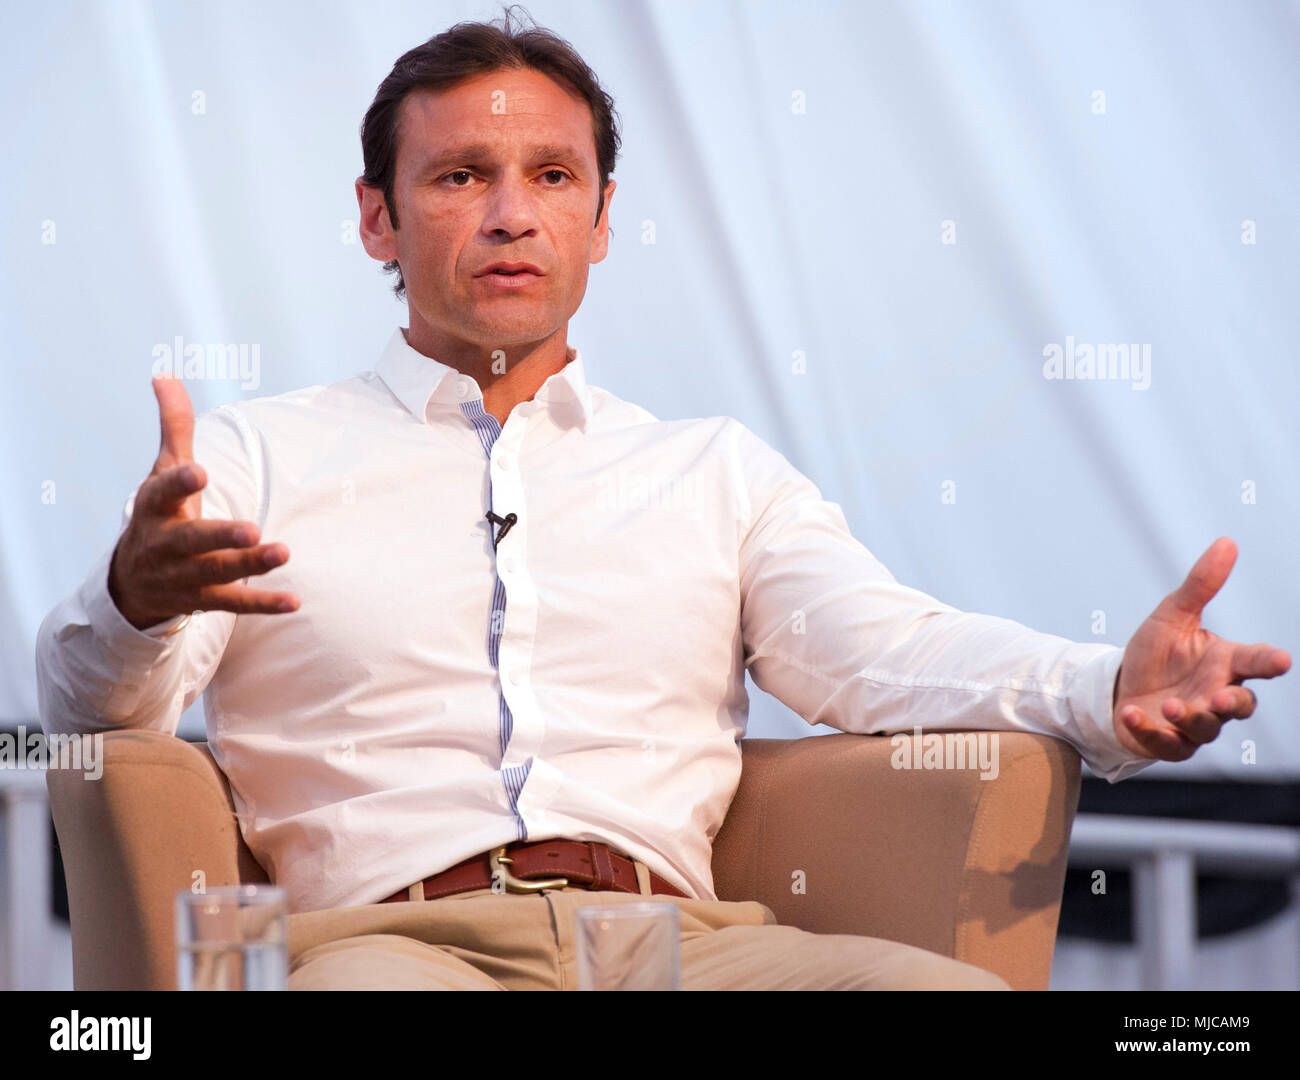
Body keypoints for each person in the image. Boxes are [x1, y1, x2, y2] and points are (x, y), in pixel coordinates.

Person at [35, 9, 1290, 991]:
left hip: (678, 944)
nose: (512, 215)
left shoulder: (712, 470)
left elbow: (884, 651)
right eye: (460, 176)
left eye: (552, 176)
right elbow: (103, 709)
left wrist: (1105, 694)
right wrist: (132, 600)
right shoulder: (259, 454)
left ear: (601, 218)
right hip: (380, 947)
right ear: (378, 217)